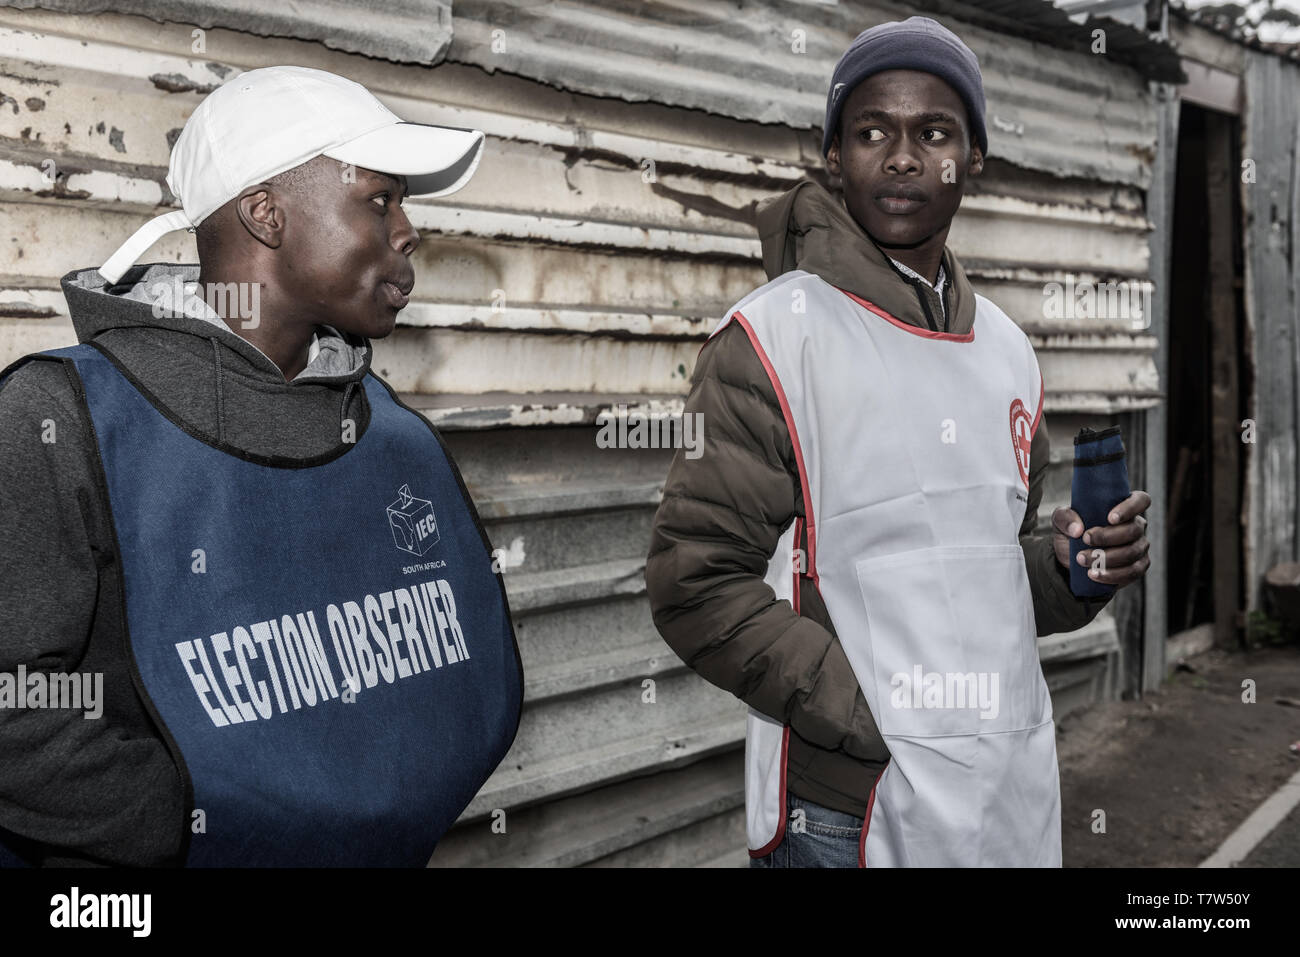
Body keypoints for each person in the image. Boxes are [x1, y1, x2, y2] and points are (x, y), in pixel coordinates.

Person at [645, 17, 1151, 868]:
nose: (904, 156)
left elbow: (989, 572)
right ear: (835, 157)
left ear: (974, 158)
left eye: (935, 132)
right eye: (873, 130)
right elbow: (693, 582)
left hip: (1006, 795)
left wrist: (1073, 566)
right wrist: (865, 715)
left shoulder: (1008, 351)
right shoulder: (774, 339)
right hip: (849, 814)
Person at [0, 65, 523, 867]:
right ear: (266, 215)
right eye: (379, 199)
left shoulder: (390, 432)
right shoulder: (59, 416)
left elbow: (456, 666)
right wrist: (190, 814)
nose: (409, 229)